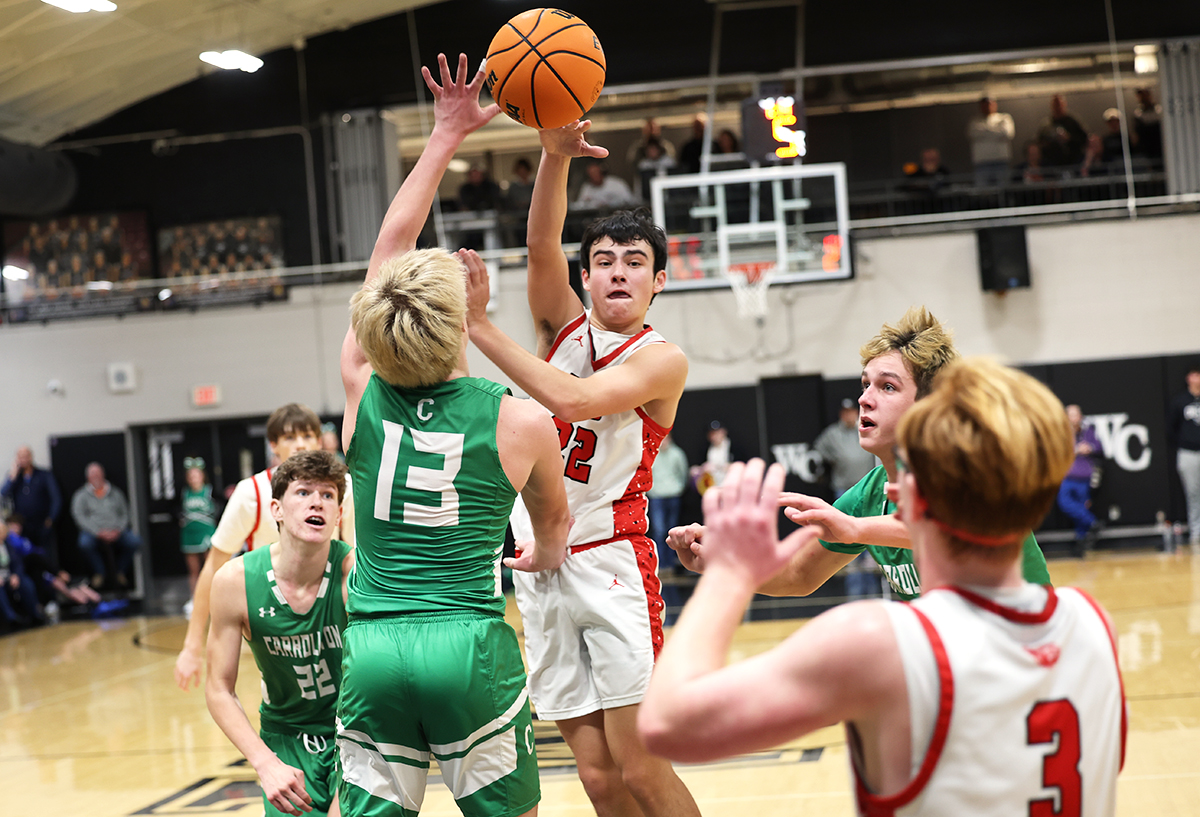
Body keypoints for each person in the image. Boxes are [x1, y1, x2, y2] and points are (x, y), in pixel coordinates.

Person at [640, 358, 1126, 816]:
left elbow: (668, 724)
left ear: (907, 497)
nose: (894, 484)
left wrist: (728, 579)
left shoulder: (879, 644)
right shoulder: (1093, 623)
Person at [336, 52, 570, 817]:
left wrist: (443, 135)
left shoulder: (362, 387)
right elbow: (553, 527)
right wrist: (544, 552)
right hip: (466, 643)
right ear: (461, 321)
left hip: (373, 647)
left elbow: (389, 248)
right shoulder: (519, 421)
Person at [465, 117, 698, 817]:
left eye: (634, 260)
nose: (618, 270)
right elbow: (542, 244)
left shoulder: (662, 360)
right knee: (597, 777)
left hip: (611, 560)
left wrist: (479, 327)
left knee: (642, 768)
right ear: (587, 276)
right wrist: (554, 155)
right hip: (539, 567)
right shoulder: (559, 327)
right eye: (604, 259)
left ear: (658, 280)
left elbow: (576, 399)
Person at [669, 306, 1053, 601]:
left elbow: (947, 529)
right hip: (956, 663)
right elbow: (798, 576)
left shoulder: (966, 465)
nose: (865, 399)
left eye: (887, 387)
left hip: (1029, 651)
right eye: (865, 384)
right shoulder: (868, 496)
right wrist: (724, 563)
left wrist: (854, 528)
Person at [205, 450, 352, 817]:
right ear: (277, 509)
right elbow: (218, 688)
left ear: (338, 515)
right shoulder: (235, 582)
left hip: (357, 730)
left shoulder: (355, 575)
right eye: (303, 492)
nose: (316, 502)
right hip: (285, 736)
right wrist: (264, 763)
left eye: (328, 495)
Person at [174, 403, 355, 691]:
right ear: (273, 445)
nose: (300, 444)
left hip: (330, 610)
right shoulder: (252, 492)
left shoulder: (342, 487)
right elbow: (213, 567)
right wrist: (191, 645)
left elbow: (356, 556)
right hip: (276, 618)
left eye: (307, 436)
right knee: (281, 697)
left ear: (319, 441)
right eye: (290, 437)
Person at [70, 461, 142, 590]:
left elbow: (125, 513)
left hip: (116, 531)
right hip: (93, 532)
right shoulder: (81, 495)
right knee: (84, 543)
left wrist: (118, 530)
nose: (96, 477)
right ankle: (99, 572)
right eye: (93, 474)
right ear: (88, 477)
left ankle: (120, 571)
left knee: (135, 541)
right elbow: (79, 516)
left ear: (103, 474)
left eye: (98, 473)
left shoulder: (116, 493)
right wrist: (98, 532)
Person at [648, 433, 690, 618]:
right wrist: (652, 490)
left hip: (673, 494)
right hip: (657, 495)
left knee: (672, 531)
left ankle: (671, 565)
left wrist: (678, 488)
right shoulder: (653, 452)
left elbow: (683, 473)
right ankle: (662, 565)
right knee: (659, 530)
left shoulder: (676, 454)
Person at [1057, 404, 1103, 556]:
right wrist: (1076, 449)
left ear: (1081, 417)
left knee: (1083, 507)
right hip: (1067, 477)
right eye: (1070, 415)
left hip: (1084, 478)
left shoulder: (1088, 432)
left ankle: (1081, 544)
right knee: (1065, 502)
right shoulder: (1062, 434)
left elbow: (1099, 447)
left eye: (1076, 415)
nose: (1074, 419)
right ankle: (1092, 522)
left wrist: (1090, 448)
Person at [2, 445, 62, 552]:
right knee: (25, 555)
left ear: (30, 457)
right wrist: (12, 476)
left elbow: (56, 498)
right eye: (20, 457)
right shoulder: (14, 477)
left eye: (26, 456)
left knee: (45, 554)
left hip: (42, 523)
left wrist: (51, 518)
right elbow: (4, 494)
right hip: (22, 525)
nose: (23, 459)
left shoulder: (44, 475)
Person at [814, 398, 877, 498]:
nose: (848, 416)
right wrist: (833, 458)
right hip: (843, 487)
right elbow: (819, 447)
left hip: (866, 485)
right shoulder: (833, 433)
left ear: (857, 413)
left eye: (851, 412)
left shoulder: (866, 430)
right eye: (845, 413)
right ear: (841, 415)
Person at [1167, 362, 1200, 546]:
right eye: (1195, 375)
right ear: (1188, 378)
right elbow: (1171, 429)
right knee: (1193, 493)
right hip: (1188, 453)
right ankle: (1196, 532)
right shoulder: (1180, 401)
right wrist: (1186, 441)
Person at [179, 457, 217, 600]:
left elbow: (219, 509)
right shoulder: (184, 493)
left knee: (209, 568)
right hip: (189, 534)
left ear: (202, 476)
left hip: (206, 532)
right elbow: (176, 510)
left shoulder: (210, 491)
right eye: (190, 476)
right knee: (193, 570)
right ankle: (194, 599)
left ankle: (212, 598)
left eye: (196, 475)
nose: (193, 478)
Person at [967, 95, 1015, 187]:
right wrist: (996, 131)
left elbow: (1007, 133)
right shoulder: (975, 122)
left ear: (995, 104)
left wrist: (984, 131)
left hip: (1001, 162)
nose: (987, 107)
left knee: (1003, 191)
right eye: (984, 105)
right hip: (982, 164)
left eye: (989, 104)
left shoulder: (1004, 118)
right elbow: (972, 134)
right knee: (982, 192)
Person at [1038, 94, 1089, 168]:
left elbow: (1084, 139)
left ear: (1064, 105)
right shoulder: (1046, 125)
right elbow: (1040, 143)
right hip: (1053, 162)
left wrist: (1069, 138)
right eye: (1055, 105)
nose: (1057, 108)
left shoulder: (1072, 122)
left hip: (1073, 161)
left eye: (1059, 105)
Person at [573, 159, 638, 210]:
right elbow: (580, 205)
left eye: (596, 172)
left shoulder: (616, 183)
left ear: (601, 172)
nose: (594, 176)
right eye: (591, 174)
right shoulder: (587, 187)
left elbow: (629, 201)